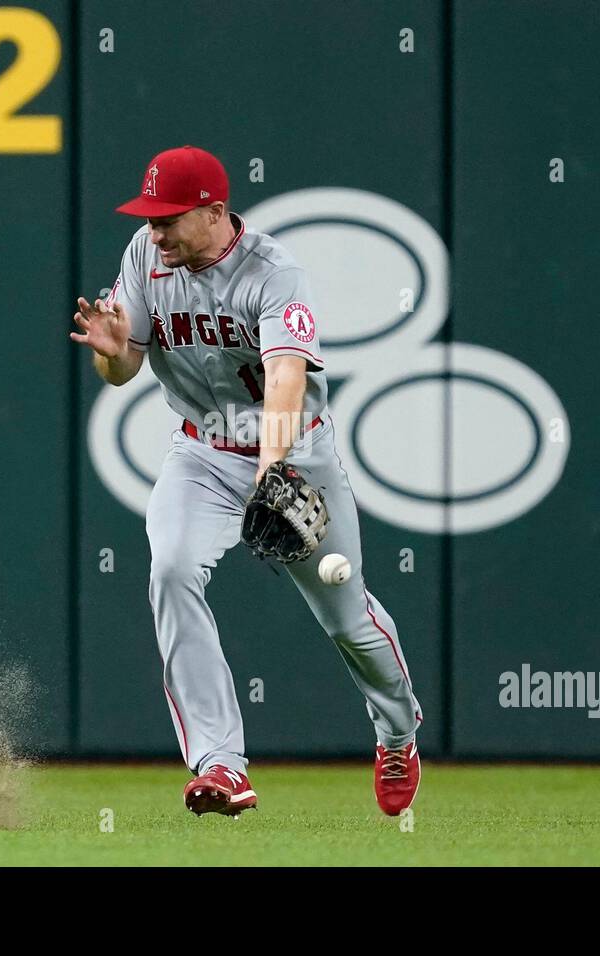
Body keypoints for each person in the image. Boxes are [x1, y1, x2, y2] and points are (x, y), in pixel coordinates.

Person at [70, 145, 422, 816]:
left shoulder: (275, 274)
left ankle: (397, 732)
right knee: (171, 569)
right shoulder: (146, 258)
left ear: (214, 212)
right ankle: (220, 764)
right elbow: (124, 366)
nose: (155, 231)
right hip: (200, 453)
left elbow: (287, 380)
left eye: (170, 218)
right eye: (150, 216)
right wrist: (114, 359)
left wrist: (273, 475)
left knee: (349, 619)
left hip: (293, 452)